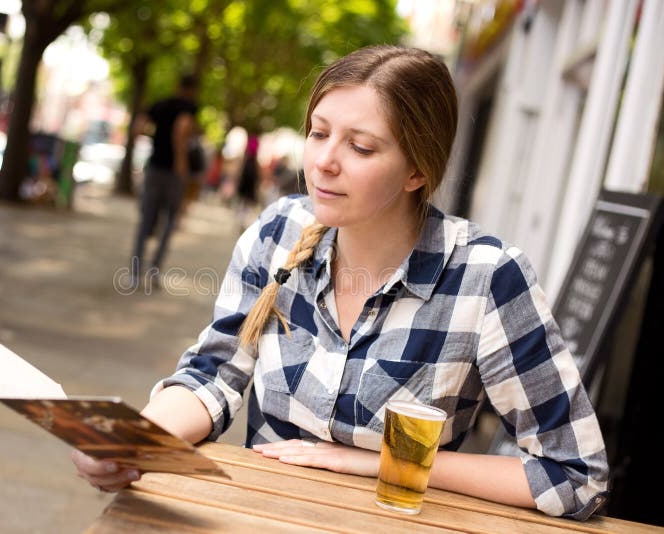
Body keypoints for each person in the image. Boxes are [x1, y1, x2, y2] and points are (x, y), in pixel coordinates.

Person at [74, 46, 609, 520]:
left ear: (416, 171)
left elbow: (575, 475)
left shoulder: (486, 277)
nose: (324, 162)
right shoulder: (278, 232)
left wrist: (373, 463)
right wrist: (133, 440)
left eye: (361, 147)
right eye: (319, 132)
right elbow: (215, 373)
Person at [129, 74, 199, 288]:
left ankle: (134, 273)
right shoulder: (189, 107)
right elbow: (181, 130)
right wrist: (181, 163)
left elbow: (138, 128)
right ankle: (154, 271)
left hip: (153, 168)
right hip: (173, 172)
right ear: (192, 89)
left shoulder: (160, 104)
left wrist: (155, 138)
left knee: (145, 221)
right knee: (169, 223)